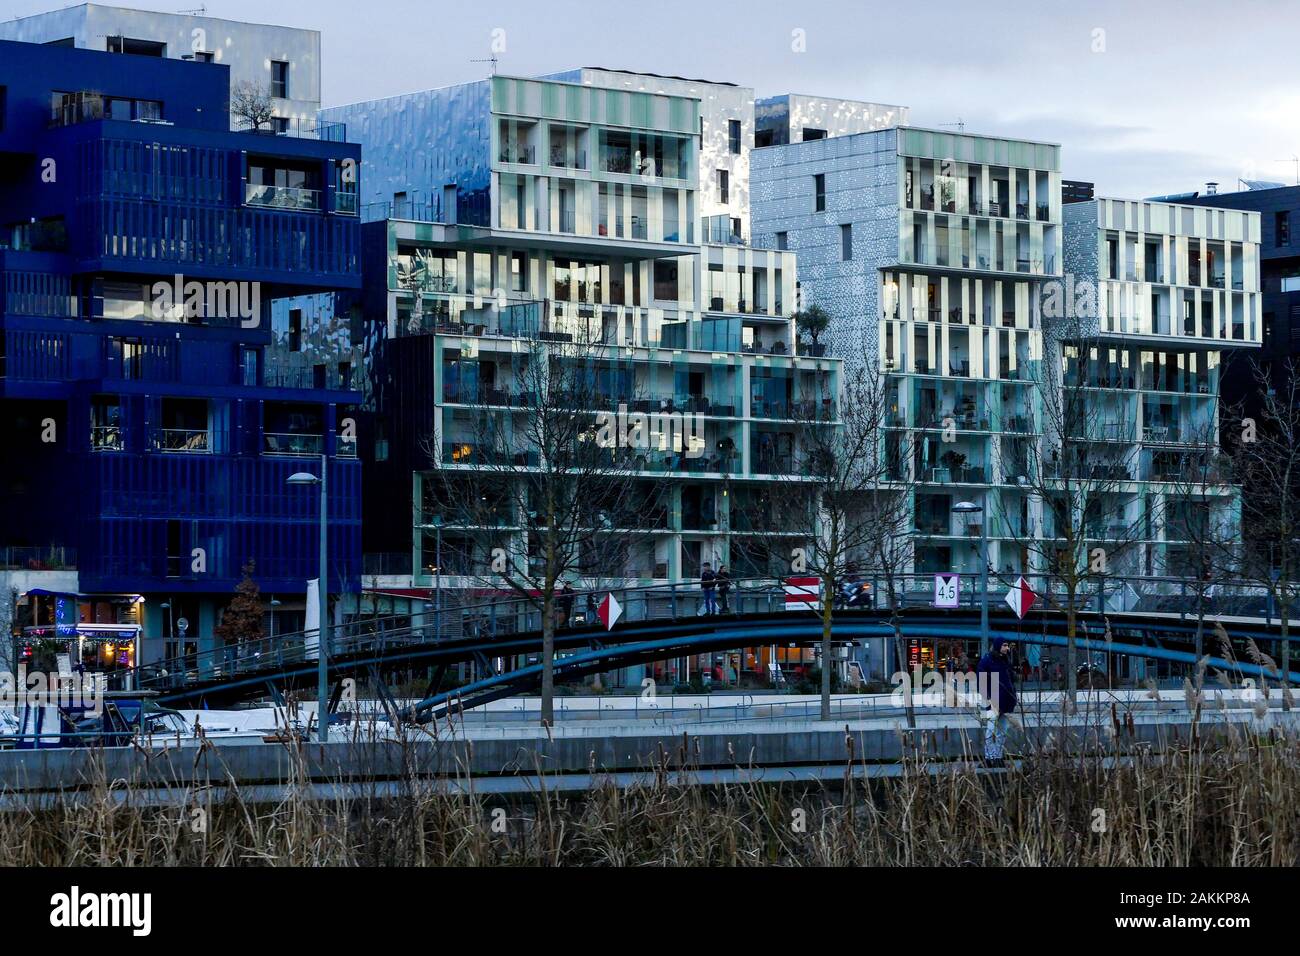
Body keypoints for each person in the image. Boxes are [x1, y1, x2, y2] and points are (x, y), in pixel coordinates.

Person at [975, 637, 1017, 767]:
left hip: (1007, 702)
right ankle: (989, 757)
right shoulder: (987, 661)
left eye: (1007, 645)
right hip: (992, 702)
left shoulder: (1005, 661)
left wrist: (1013, 696)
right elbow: (981, 683)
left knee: (1002, 731)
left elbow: (1010, 680)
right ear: (998, 646)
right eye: (1005, 645)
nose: (1007, 648)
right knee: (991, 730)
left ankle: (997, 757)